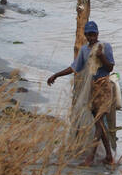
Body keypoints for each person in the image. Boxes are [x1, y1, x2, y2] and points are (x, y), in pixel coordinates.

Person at [47, 21, 116, 164]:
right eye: (88, 35)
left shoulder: (105, 47)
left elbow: (110, 68)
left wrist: (101, 56)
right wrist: (56, 75)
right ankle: (109, 156)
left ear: (98, 34)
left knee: (98, 121)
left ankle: (91, 157)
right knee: (99, 123)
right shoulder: (84, 50)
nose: (91, 37)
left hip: (104, 87)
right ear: (85, 35)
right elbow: (74, 68)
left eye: (93, 34)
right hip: (92, 89)